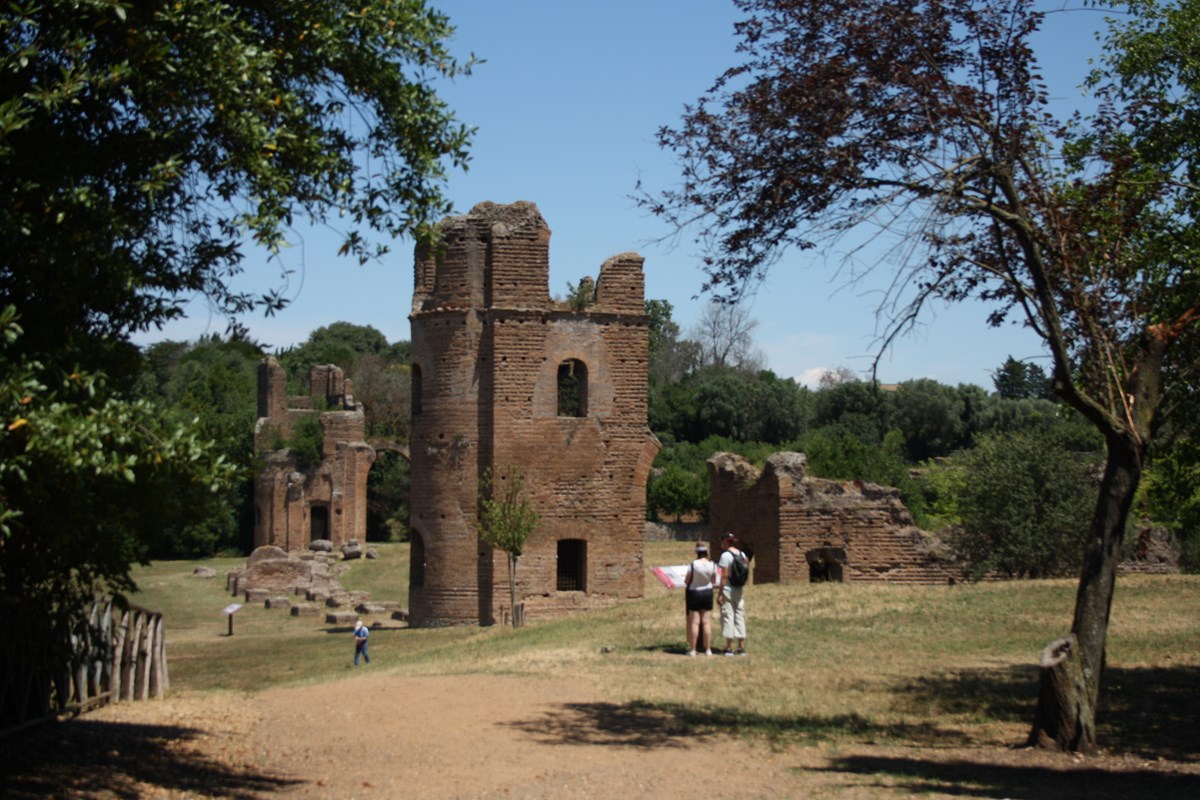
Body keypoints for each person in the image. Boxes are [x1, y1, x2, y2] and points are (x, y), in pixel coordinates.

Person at [716, 532, 748, 656]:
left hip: (728, 589)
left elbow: (724, 575)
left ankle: (729, 647)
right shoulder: (742, 554)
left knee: (728, 616)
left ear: (725, 541)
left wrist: (720, 593)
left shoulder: (725, 556)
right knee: (740, 615)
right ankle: (741, 647)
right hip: (739, 589)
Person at [683, 542, 715, 656]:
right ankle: (708, 649)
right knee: (706, 622)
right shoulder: (712, 564)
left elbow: (687, 581)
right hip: (708, 592)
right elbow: (714, 580)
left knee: (695, 622)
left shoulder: (693, 564)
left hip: (694, 592)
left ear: (697, 552)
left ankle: (693, 649)